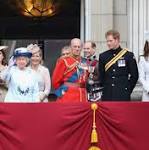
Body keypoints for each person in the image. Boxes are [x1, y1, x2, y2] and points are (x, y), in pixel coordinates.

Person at [98, 29, 138, 101]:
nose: (108, 43)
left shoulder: (128, 55)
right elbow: (101, 76)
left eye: (110, 41)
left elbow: (134, 75)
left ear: (117, 40)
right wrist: (105, 88)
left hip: (122, 93)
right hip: (108, 93)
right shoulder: (103, 56)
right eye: (107, 41)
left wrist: (127, 89)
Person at [52, 38, 88, 102]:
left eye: (79, 47)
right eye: (75, 46)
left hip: (82, 96)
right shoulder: (63, 61)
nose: (77, 49)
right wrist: (62, 92)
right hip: (68, 96)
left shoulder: (85, 61)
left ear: (81, 48)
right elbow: (55, 81)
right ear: (70, 47)